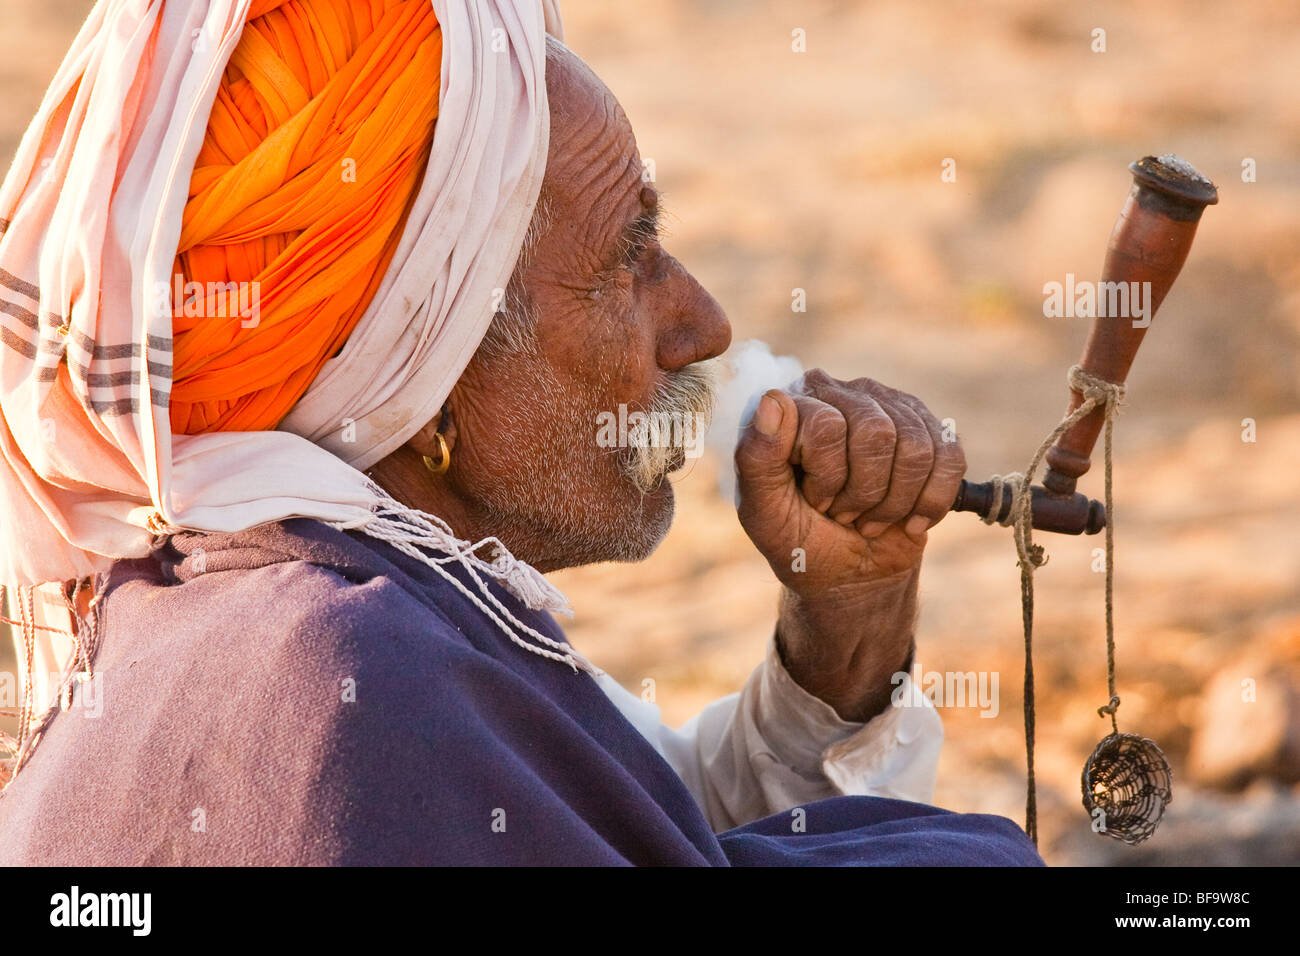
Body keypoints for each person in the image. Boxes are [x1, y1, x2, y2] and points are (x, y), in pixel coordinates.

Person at [0, 0, 1042, 866]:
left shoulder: (232, 613)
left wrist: (844, 626)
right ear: (428, 380)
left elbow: (643, 819)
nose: (702, 324)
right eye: (630, 257)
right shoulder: (349, 676)